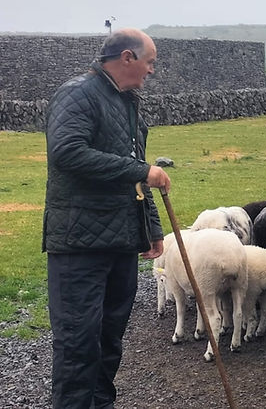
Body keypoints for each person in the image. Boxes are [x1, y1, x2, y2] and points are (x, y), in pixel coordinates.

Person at [43, 28, 171, 408]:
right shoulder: (78, 93)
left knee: (110, 339)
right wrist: (143, 171)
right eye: (149, 63)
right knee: (78, 343)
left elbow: (132, 170)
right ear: (127, 57)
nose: (151, 72)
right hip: (79, 245)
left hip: (120, 241)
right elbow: (67, 152)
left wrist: (151, 227)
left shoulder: (128, 104)